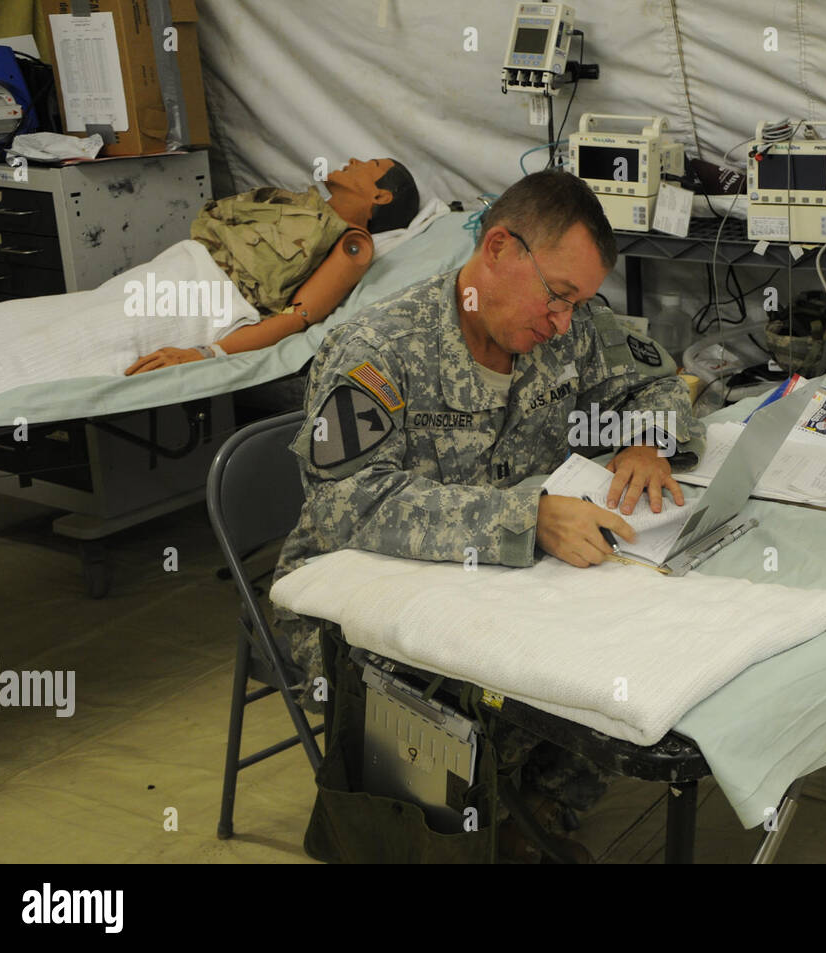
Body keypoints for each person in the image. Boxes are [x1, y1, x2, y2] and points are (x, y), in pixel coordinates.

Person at [273, 169, 705, 861]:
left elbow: (659, 378)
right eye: (558, 295)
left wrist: (644, 441)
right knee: (477, 684)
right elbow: (348, 502)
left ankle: (530, 815)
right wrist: (525, 518)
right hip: (355, 603)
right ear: (499, 249)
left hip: (502, 583)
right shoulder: (376, 352)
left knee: (629, 641)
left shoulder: (569, 329)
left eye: (578, 303)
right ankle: (455, 829)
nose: (564, 322)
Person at [0, 158, 419, 403]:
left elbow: (297, 319)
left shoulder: (351, 245)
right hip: (172, 272)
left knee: (65, 345)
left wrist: (202, 353)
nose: (356, 160)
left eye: (371, 164)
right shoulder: (298, 205)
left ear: (380, 196)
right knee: (35, 316)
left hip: (201, 303)